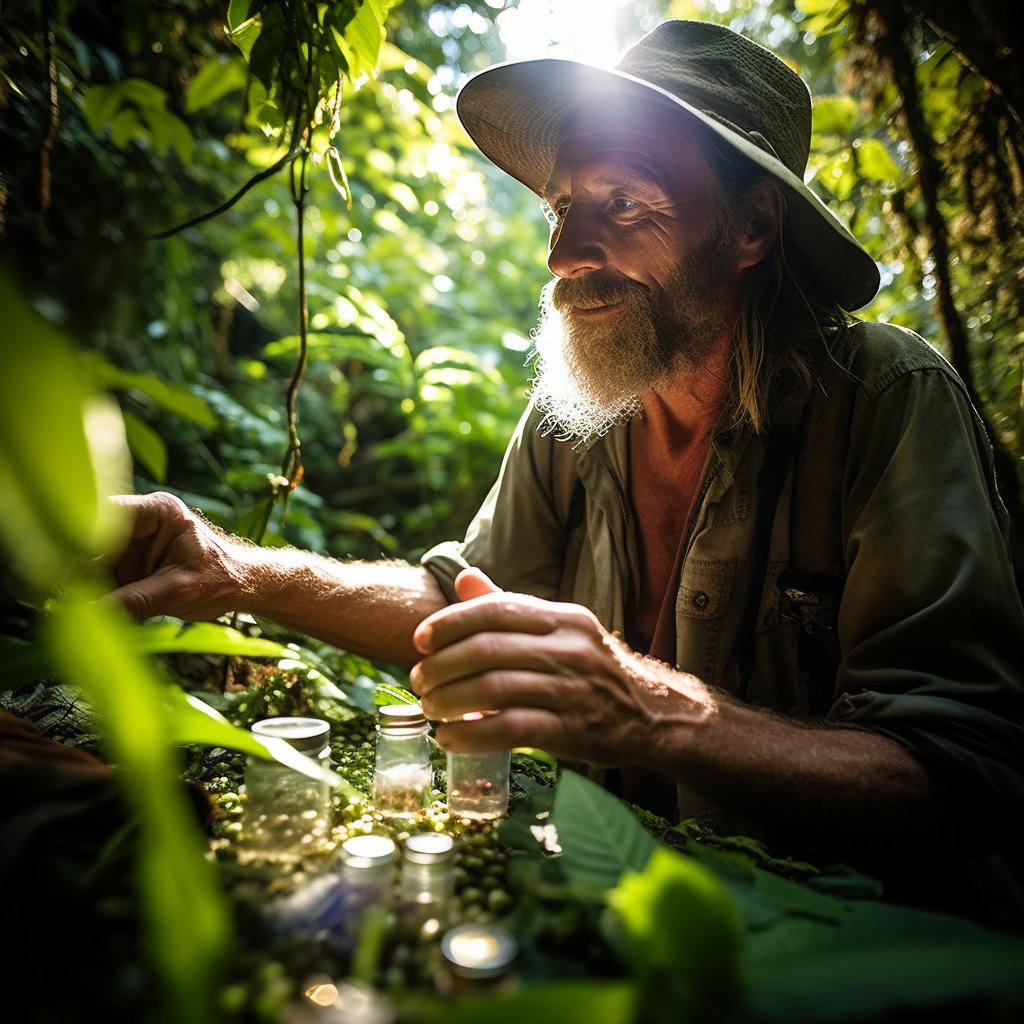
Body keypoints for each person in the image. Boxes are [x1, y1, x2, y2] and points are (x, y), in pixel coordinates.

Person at [108, 21, 1024, 924]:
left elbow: (963, 776)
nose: (563, 254)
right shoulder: (584, 409)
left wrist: (647, 709)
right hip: (623, 913)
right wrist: (238, 573)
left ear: (751, 226)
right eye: (562, 207)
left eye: (623, 202)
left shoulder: (883, 398)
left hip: (860, 943)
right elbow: (457, 601)